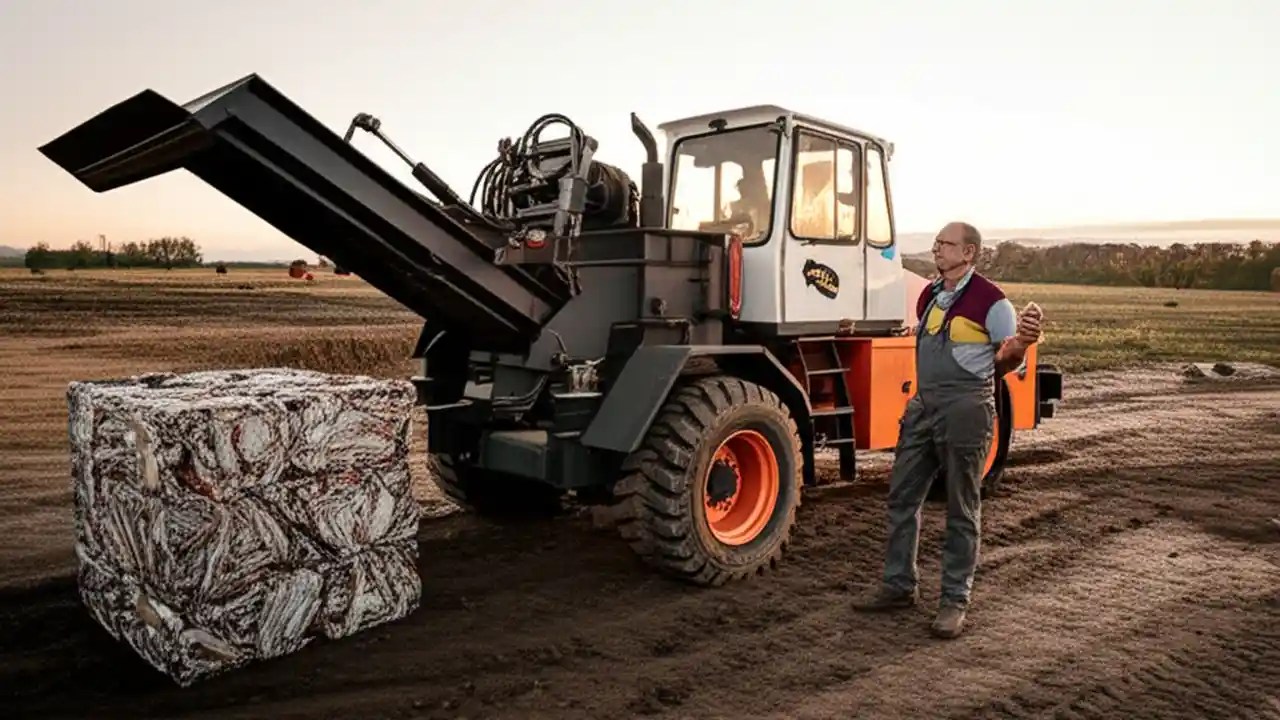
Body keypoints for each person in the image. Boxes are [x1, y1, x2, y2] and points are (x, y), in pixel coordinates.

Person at [852, 221, 1043, 639]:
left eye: (945, 244)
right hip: (924, 405)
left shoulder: (993, 303)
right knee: (902, 496)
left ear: (969, 253)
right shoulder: (930, 295)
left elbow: (1006, 360)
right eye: (937, 243)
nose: (937, 250)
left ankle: (954, 601)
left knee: (961, 506)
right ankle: (899, 585)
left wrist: (1023, 343)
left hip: (967, 408)